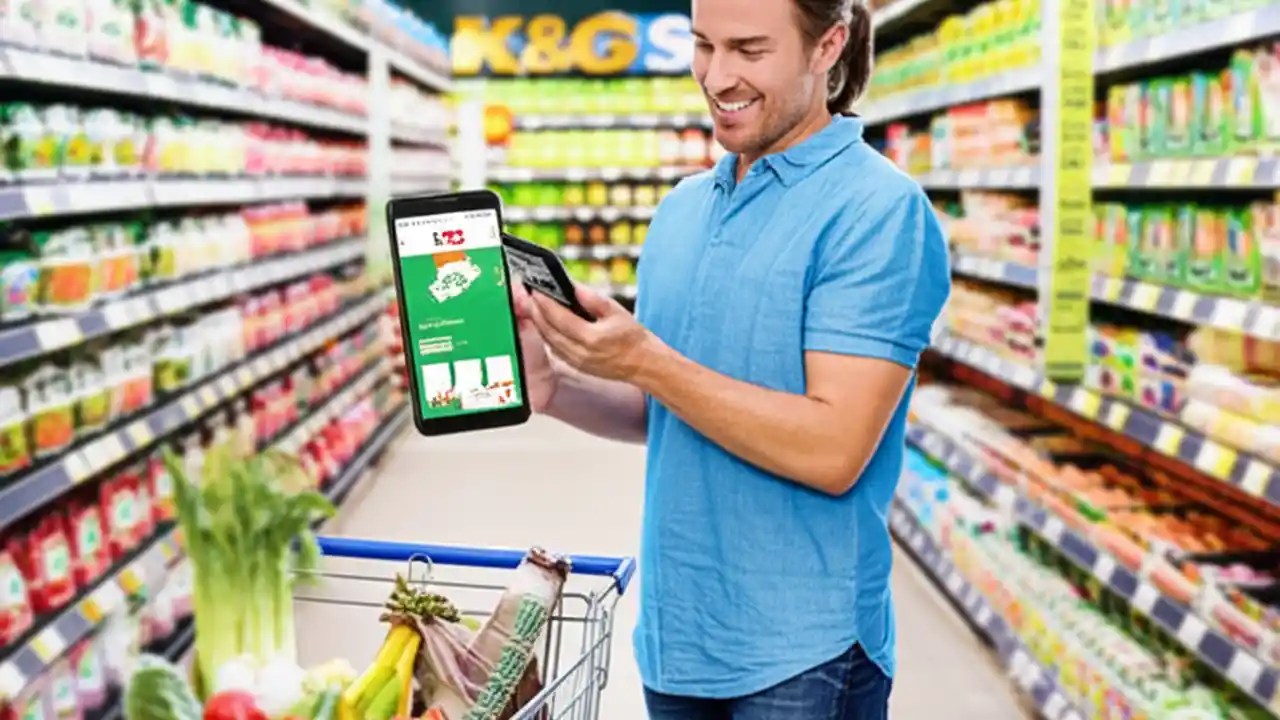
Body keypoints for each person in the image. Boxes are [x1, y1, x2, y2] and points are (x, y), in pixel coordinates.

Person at [512, 0, 951, 715]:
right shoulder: (684, 208)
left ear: (827, 46)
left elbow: (834, 450)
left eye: (750, 50)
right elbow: (671, 412)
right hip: (677, 635)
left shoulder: (877, 211)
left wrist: (646, 359)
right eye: (703, 45)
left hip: (803, 653)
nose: (717, 76)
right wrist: (556, 385)